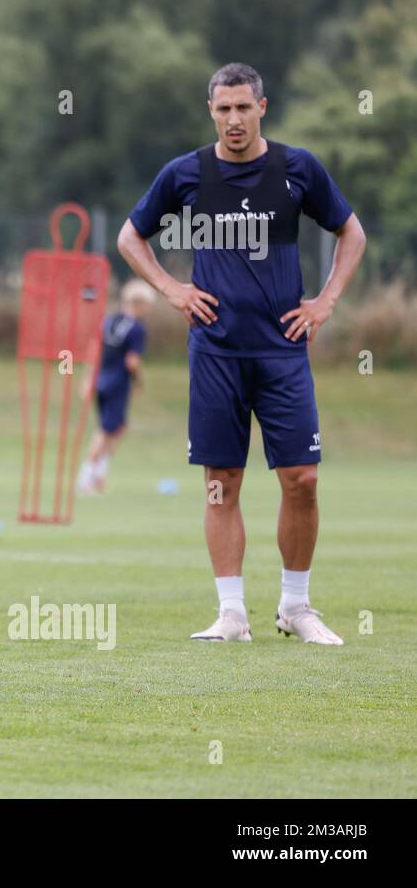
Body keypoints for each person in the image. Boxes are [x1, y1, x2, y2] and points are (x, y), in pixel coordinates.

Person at [117, 62, 365, 645]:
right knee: (220, 482)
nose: (234, 119)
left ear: (262, 108)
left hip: (282, 353)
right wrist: (173, 290)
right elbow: (131, 237)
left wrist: (326, 301)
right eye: (223, 109)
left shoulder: (296, 168)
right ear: (211, 111)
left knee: (301, 478)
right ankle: (232, 615)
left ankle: (296, 607)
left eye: (243, 108)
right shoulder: (187, 174)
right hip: (215, 355)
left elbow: (350, 232)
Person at [77, 280, 154, 493]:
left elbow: (94, 350)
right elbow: (132, 361)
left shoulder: (108, 321)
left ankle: (99, 473)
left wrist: (87, 379)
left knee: (117, 428)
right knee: (106, 431)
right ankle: (87, 477)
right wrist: (139, 381)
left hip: (101, 381)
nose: (149, 310)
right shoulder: (137, 328)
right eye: (148, 305)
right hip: (118, 383)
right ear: (139, 304)